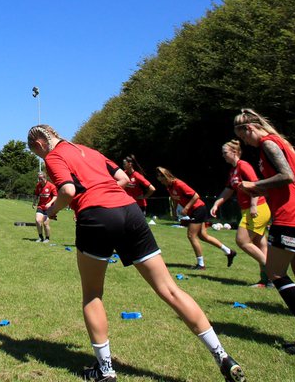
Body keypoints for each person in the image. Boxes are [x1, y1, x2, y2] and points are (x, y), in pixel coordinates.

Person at [27, 125, 245, 382]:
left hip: (96, 215)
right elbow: (123, 180)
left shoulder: (54, 156)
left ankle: (106, 370)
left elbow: (67, 191)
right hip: (130, 212)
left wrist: (53, 210)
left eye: (37, 154)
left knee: (92, 295)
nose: (42, 158)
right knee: (171, 290)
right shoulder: (90, 151)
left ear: (40, 144)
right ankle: (223, 356)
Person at [235, 108, 295, 357]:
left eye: (243, 137)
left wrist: (254, 185)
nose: (245, 143)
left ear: (250, 129)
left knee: (276, 272)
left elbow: (285, 176)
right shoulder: (282, 142)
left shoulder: (267, 143)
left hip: (291, 216)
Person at [209, 140, 270, 287]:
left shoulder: (244, 166)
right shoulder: (233, 171)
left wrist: (254, 205)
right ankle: (267, 281)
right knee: (260, 245)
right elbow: (228, 190)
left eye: (225, 153)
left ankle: (273, 270)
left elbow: (255, 184)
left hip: (257, 209)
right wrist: (216, 204)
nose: (223, 156)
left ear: (234, 152)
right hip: (249, 210)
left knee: (242, 241)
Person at [156, 167, 235, 270]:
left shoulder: (179, 184)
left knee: (191, 235)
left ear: (166, 177)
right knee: (203, 236)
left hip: (198, 209)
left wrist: (187, 207)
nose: (162, 183)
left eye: (162, 180)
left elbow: (195, 196)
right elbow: (176, 199)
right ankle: (229, 252)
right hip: (195, 211)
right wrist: (175, 211)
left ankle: (201, 265)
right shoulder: (169, 187)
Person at [33, 172, 58, 243]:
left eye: (41, 178)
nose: (39, 180)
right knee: (38, 221)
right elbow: (36, 194)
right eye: (38, 179)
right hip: (41, 206)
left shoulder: (51, 186)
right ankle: (40, 237)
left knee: (45, 223)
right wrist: (34, 202)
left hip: (49, 208)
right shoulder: (38, 185)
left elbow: (55, 196)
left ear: (45, 178)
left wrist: (50, 203)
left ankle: (47, 238)